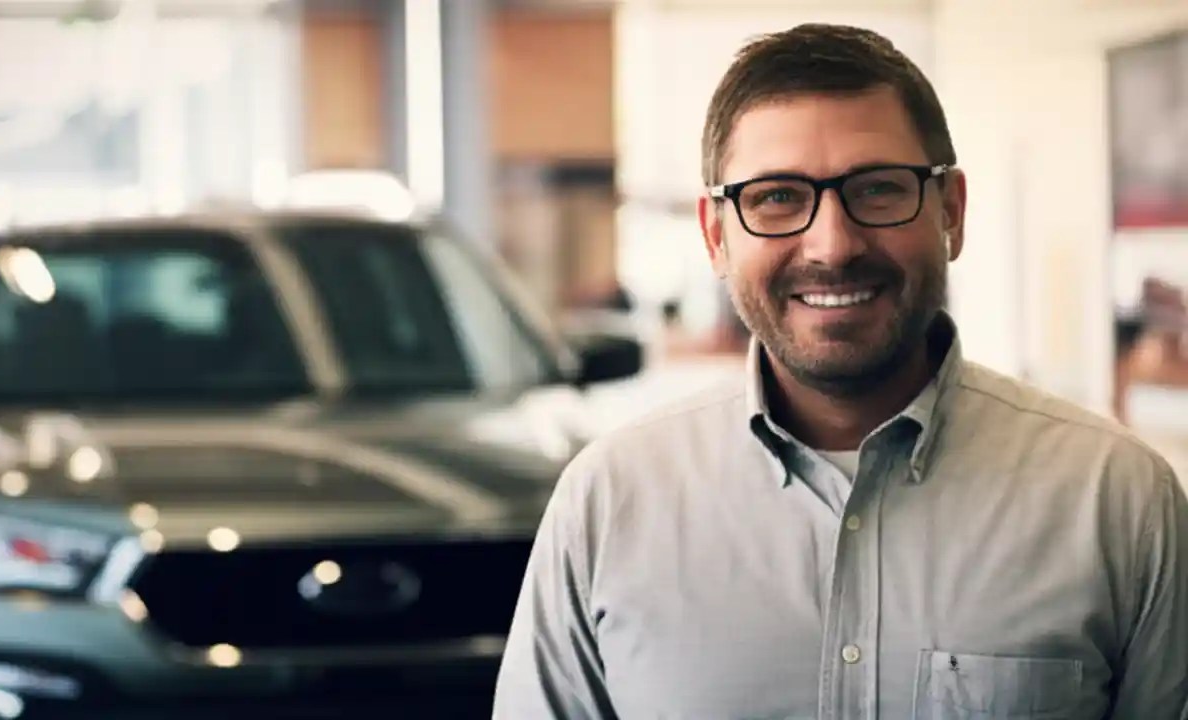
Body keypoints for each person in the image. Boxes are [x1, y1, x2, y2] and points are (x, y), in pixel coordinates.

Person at [493, 23, 1188, 719]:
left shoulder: (1116, 501)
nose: (832, 245)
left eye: (879, 189)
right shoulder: (608, 504)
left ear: (951, 210)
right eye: (777, 197)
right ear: (714, 234)